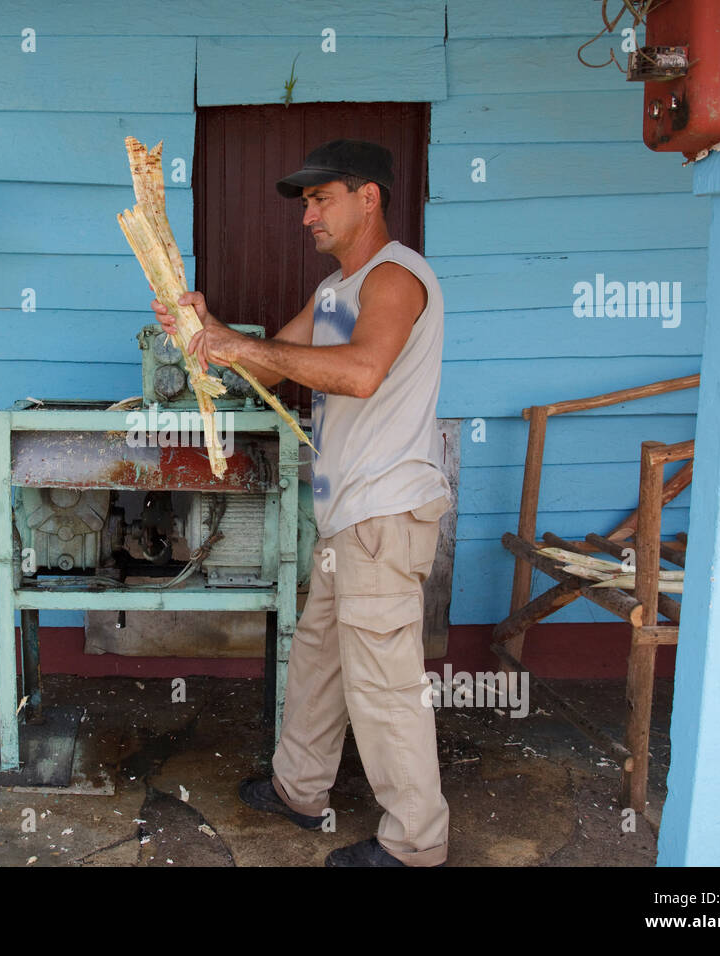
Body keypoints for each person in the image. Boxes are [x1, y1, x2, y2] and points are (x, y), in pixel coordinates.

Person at [152, 139, 452, 867]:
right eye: (307, 203)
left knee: (383, 683)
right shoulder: (335, 293)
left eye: (321, 199)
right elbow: (266, 369)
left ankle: (417, 846)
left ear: (369, 196)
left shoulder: (394, 277)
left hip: (386, 514)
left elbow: (359, 373)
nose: (307, 216)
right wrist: (206, 338)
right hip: (348, 517)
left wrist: (234, 344)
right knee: (321, 658)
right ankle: (299, 790)